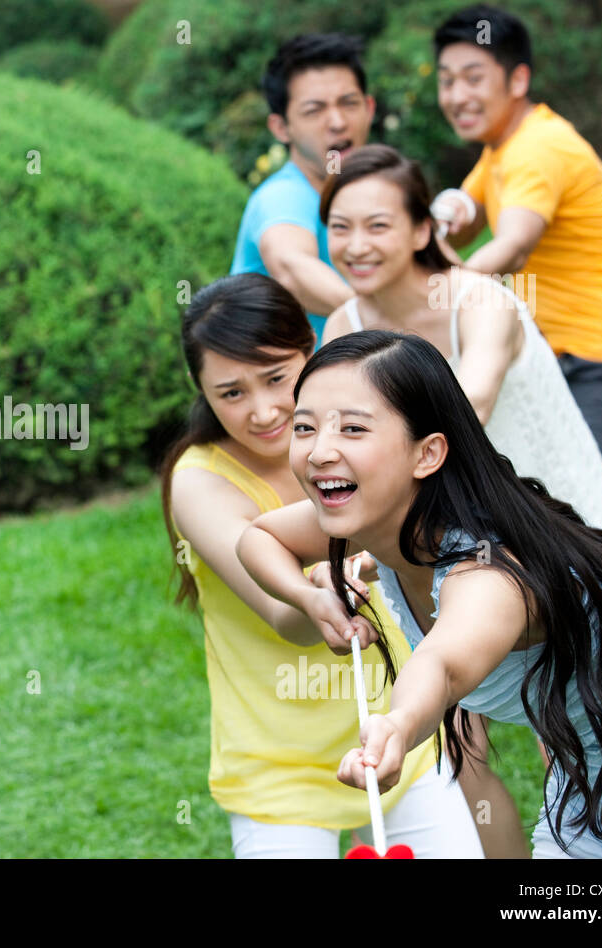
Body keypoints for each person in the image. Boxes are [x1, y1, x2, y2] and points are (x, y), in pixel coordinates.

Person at [236, 330, 602, 857]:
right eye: (306, 427)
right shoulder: (380, 516)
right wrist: (312, 596)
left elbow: (444, 664)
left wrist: (398, 727)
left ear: (427, 453)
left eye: (353, 428)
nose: (319, 451)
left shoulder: (489, 573)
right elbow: (258, 536)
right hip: (595, 773)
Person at [160, 273, 484, 858]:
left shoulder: (364, 441)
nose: (263, 411)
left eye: (278, 379)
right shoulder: (199, 481)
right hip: (275, 764)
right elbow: (283, 617)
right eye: (230, 393)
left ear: (311, 352)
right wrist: (316, 595)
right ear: (201, 393)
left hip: (393, 730)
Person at [320, 144, 602, 551]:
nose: (356, 246)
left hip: (554, 511)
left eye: (377, 226)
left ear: (421, 231)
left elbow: (472, 404)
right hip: (446, 524)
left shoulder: (481, 301)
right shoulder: (344, 325)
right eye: (340, 227)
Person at [430, 4, 602, 522]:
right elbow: (467, 218)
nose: (456, 96)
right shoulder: (503, 149)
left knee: (596, 531)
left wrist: (434, 299)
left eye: (473, 78)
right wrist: (449, 210)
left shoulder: (536, 148)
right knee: (546, 525)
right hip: (555, 358)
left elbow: (511, 244)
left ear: (518, 79)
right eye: (447, 81)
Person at [230, 34, 375, 343]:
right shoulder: (283, 196)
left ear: (369, 108)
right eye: (314, 110)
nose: (337, 122)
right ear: (281, 128)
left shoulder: (380, 191)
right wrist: (382, 317)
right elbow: (291, 267)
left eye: (349, 103)